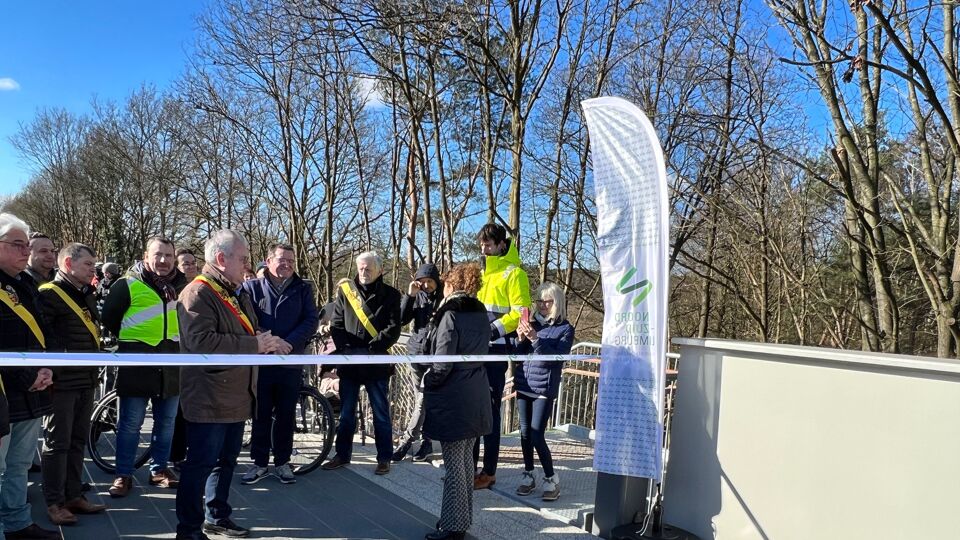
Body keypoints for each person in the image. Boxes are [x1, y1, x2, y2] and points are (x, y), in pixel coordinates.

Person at [176, 229, 285, 540]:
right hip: (209, 396)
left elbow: (248, 331)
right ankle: (188, 530)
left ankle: (217, 516)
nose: (247, 265)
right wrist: (255, 346)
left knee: (225, 462)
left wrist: (269, 341)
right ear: (222, 259)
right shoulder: (199, 293)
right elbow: (201, 342)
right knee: (199, 465)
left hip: (235, 394)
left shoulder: (236, 291)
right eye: (243, 259)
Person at [101, 238, 186, 497]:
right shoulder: (126, 284)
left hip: (172, 362)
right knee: (130, 423)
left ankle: (159, 469)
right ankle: (123, 474)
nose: (163, 260)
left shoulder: (184, 286)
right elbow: (109, 319)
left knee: (167, 423)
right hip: (136, 362)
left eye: (168, 255)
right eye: (158, 255)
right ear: (145, 255)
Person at [37, 243, 107, 525]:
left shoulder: (85, 293)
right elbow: (45, 336)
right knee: (57, 443)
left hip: (86, 378)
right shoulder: (49, 295)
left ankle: (73, 494)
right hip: (62, 381)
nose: (94, 269)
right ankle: (54, 502)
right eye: (89, 264)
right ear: (68, 264)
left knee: (78, 440)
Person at [0, 213, 61, 540]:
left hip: (32, 390)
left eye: (27, 245)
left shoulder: (25, 283)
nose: (26, 251)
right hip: (7, 391)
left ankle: (18, 523)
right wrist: (28, 376)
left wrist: (48, 366)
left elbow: (45, 330)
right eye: (17, 244)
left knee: (20, 465)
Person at [421, 262, 492, 540]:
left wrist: (428, 382)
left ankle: (453, 527)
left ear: (452, 284)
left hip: (453, 395)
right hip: (476, 391)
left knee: (454, 467)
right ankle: (461, 521)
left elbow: (443, 361)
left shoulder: (449, 314)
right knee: (465, 463)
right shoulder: (480, 312)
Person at [240, 243, 319, 485]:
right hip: (262, 362)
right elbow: (246, 318)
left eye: (291, 261)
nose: (286, 265)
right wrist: (271, 342)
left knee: (286, 415)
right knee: (260, 414)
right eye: (282, 260)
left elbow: (310, 320)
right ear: (269, 260)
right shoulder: (251, 288)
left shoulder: (303, 288)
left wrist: (289, 343)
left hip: (290, 362)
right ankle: (259, 463)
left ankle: (283, 462)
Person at [321, 252, 401, 475]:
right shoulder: (346, 292)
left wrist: (372, 349)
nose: (363, 273)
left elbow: (393, 329)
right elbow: (337, 323)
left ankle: (384, 457)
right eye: (360, 269)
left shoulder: (392, 295)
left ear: (379, 271)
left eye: (368, 269)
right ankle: (342, 454)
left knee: (380, 413)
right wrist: (346, 350)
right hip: (350, 362)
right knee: (346, 414)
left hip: (376, 362)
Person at [474, 223, 530, 490]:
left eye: (489, 244)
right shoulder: (482, 272)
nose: (484, 248)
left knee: (491, 412)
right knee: (472, 408)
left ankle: (489, 471)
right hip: (474, 350)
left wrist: (491, 330)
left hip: (496, 350)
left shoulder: (515, 273)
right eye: (482, 244)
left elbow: (520, 313)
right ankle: (467, 467)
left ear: (500, 245)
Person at [513, 282, 575, 502]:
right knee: (524, 433)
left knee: (537, 433)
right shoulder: (531, 323)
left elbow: (556, 358)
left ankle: (551, 477)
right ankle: (529, 473)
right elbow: (517, 353)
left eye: (546, 301)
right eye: (538, 301)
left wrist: (535, 340)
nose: (541, 305)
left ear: (556, 302)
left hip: (544, 387)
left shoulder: (566, 328)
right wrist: (519, 340)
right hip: (524, 384)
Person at [392, 263, 442, 462]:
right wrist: (410, 295)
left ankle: (406, 442)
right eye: (423, 282)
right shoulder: (416, 295)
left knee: (423, 401)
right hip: (415, 354)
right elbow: (401, 319)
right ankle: (426, 442)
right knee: (421, 401)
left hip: (435, 356)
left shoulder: (444, 297)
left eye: (430, 281)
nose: (427, 285)